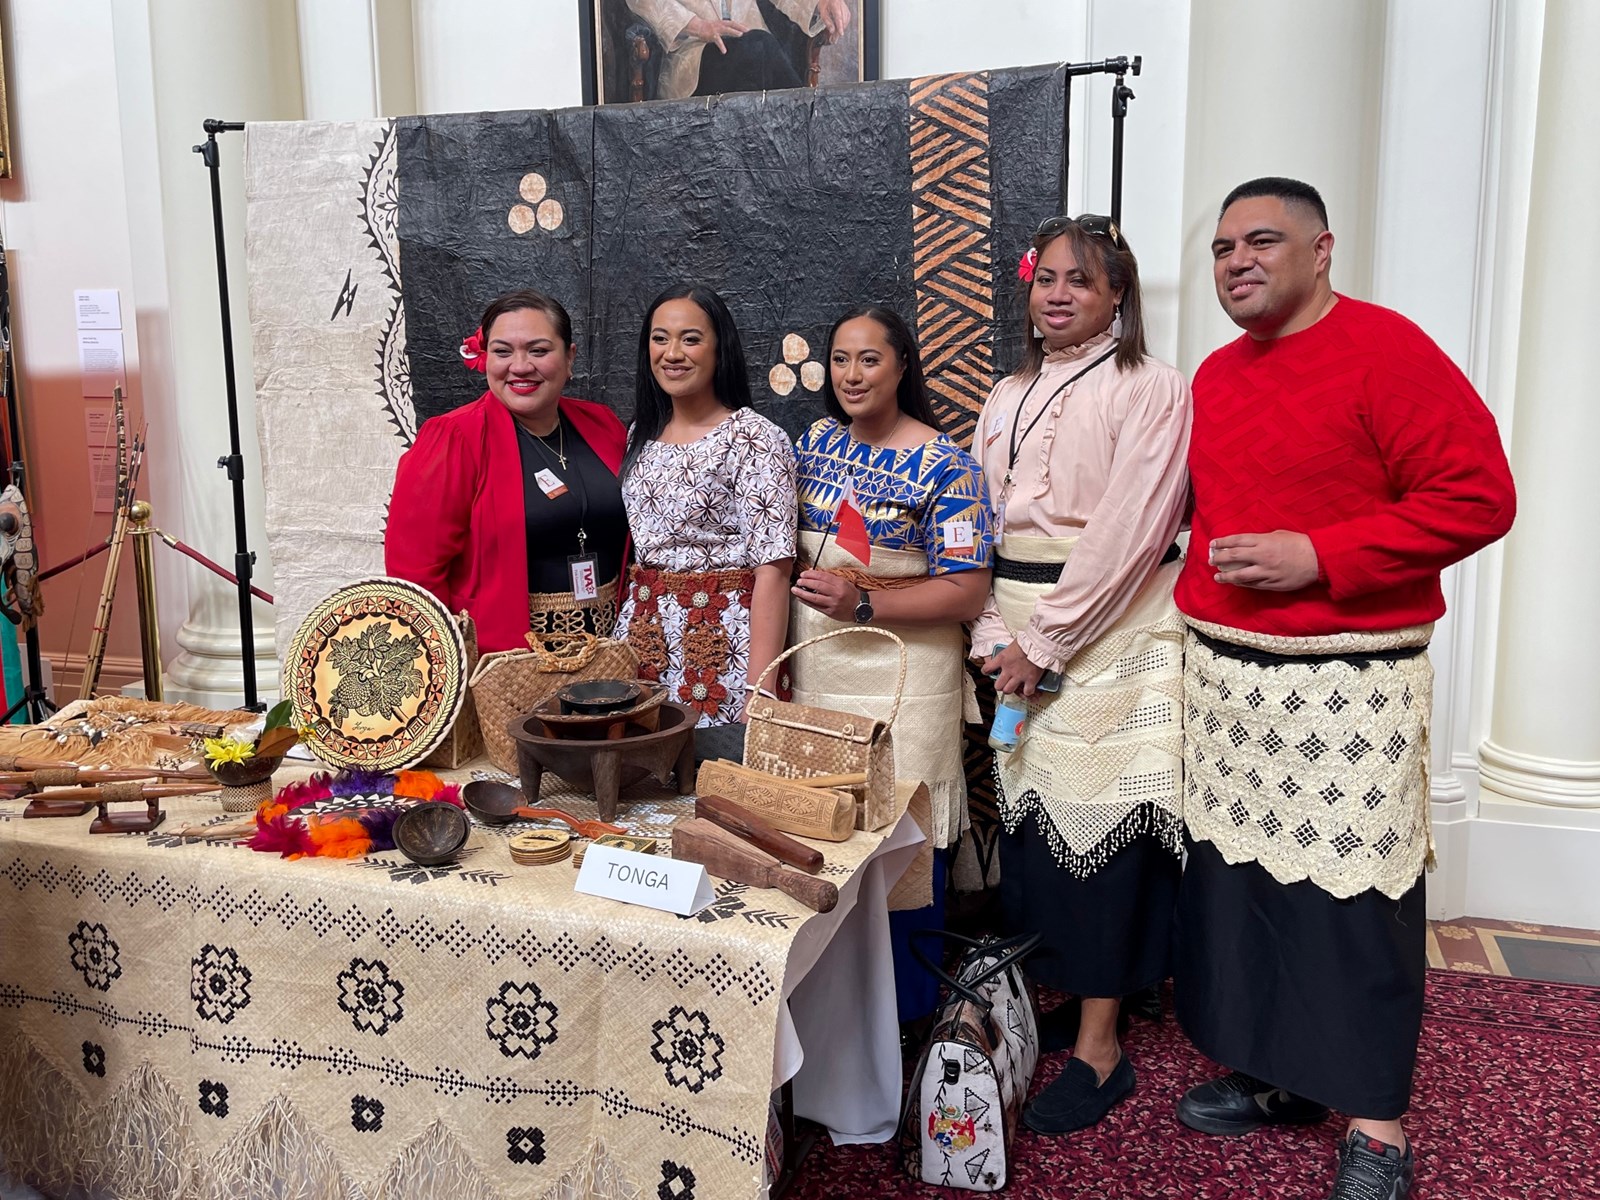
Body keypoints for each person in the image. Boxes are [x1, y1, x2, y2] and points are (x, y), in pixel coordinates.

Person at [1172, 178, 1515, 1200]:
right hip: (1227, 680)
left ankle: (1377, 1123)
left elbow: (1479, 496)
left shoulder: (1385, 349)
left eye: (1261, 241)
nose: (1237, 260)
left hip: (1347, 678)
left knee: (1356, 897)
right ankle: (1280, 1075)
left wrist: (1320, 554)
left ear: (1320, 250)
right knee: (1246, 893)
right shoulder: (1217, 375)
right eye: (1223, 247)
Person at [968, 215, 1192, 1133]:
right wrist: (987, 628)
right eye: (1047, 278)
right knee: (1034, 829)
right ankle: (1068, 989)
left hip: (1114, 634)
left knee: (1106, 831)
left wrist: (1047, 643)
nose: (1059, 294)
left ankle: (1103, 1049)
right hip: (1015, 628)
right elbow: (975, 521)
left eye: (1083, 281)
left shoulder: (1153, 387)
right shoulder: (1007, 391)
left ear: (1117, 297)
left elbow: (1131, 531)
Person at [788, 304, 994, 1019]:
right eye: (840, 359)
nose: (851, 374)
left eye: (869, 359)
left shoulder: (950, 466)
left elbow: (968, 590)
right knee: (823, 825)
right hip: (820, 664)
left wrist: (865, 605)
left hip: (909, 670)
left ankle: (904, 1014)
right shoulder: (813, 442)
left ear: (903, 366)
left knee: (903, 838)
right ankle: (828, 1009)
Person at [386, 290, 628, 653]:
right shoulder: (454, 438)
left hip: (610, 652)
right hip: (505, 664)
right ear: (485, 359)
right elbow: (415, 577)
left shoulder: (603, 426)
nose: (520, 366)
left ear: (570, 357)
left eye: (539, 350)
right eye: (502, 351)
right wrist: (448, 665)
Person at [613, 284, 797, 750]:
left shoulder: (753, 438)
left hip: (723, 645)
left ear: (720, 349)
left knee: (715, 789)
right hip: (645, 641)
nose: (672, 353)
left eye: (690, 339)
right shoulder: (642, 433)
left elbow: (774, 569)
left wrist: (761, 690)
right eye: (660, 338)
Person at [624, 0, 851, 100]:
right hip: (696, 57)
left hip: (755, 52)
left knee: (757, 48)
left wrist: (822, 1)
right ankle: (808, 125)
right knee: (760, 47)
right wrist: (700, 27)